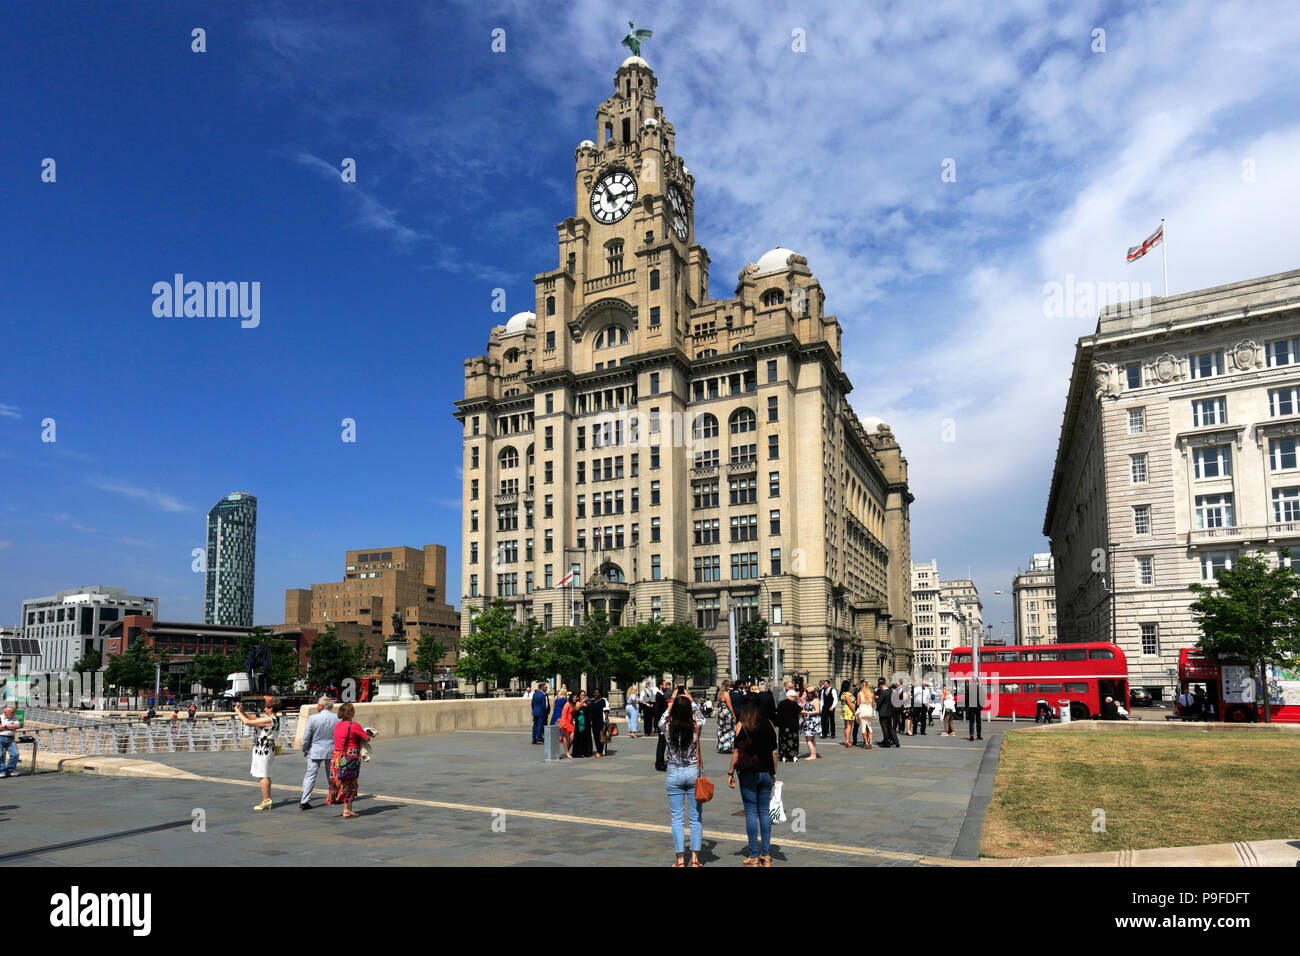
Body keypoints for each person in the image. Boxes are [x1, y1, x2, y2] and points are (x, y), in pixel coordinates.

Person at [729, 695, 778, 866]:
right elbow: (774, 753)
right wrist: (774, 773)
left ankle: (754, 856)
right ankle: (766, 855)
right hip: (766, 773)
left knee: (751, 813)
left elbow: (736, 752)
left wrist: (730, 772)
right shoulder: (768, 724)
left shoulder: (741, 725)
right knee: (764, 813)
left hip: (748, 773)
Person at [660, 691, 705, 867]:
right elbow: (701, 717)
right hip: (693, 771)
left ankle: (680, 860)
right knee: (695, 818)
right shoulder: (696, 725)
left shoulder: (667, 725)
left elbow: (663, 717)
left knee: (677, 818)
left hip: (673, 771)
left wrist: (671, 703)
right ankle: (695, 860)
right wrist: (691, 701)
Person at [234, 697, 282, 811]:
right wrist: (242, 712)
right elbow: (254, 718)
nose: (264, 709)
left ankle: (266, 800)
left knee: (263, 774)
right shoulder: (273, 719)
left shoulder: (270, 720)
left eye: (266, 707)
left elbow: (247, 722)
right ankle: (267, 799)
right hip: (264, 747)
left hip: (263, 749)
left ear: (271, 708)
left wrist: (237, 712)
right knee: (263, 773)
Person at [328, 703, 372, 818]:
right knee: (350, 783)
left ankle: (345, 806)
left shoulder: (337, 725)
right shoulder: (354, 725)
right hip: (350, 757)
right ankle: (347, 810)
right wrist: (368, 734)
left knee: (339, 781)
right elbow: (366, 738)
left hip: (336, 757)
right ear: (351, 712)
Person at [299, 696, 339, 809]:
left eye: (318, 704)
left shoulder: (313, 718)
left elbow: (307, 736)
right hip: (331, 749)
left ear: (321, 706)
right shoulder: (337, 718)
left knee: (310, 775)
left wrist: (305, 748)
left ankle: (305, 800)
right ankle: (334, 796)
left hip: (315, 750)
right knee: (331, 775)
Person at [776, 689, 801, 762]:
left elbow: (777, 712)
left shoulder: (781, 703)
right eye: (795, 697)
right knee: (793, 740)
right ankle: (794, 756)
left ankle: (784, 756)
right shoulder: (794, 704)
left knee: (783, 740)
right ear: (792, 696)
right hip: (792, 725)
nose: (795, 698)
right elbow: (800, 711)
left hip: (783, 725)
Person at [570, 690, 594, 758]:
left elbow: (589, 712)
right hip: (581, 721)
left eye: (584, 695)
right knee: (580, 736)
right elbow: (577, 709)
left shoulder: (587, 703)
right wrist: (582, 702)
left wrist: (591, 720)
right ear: (579, 696)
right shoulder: (578, 702)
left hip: (587, 721)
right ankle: (579, 752)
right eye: (581, 695)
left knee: (587, 736)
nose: (583, 696)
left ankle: (587, 751)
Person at [652, 680, 670, 771]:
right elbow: (657, 710)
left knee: (662, 743)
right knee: (661, 743)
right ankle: (659, 763)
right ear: (660, 686)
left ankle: (660, 762)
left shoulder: (660, 695)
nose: (666, 686)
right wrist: (658, 724)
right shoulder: (659, 696)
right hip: (661, 723)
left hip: (661, 722)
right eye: (665, 685)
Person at [715, 679, 736, 754]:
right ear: (728, 686)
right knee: (729, 729)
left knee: (721, 729)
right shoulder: (726, 694)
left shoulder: (720, 693)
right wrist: (733, 714)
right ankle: (727, 747)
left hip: (721, 712)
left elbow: (718, 704)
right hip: (726, 712)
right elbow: (729, 705)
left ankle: (721, 746)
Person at [799, 687, 821, 759]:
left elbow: (818, 711)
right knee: (812, 739)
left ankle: (813, 755)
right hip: (809, 720)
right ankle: (813, 753)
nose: (808, 694)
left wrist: (807, 712)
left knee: (808, 739)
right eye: (808, 693)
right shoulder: (809, 700)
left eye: (810, 693)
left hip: (812, 721)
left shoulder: (815, 700)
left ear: (813, 693)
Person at [876, 680, 898, 748]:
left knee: (884, 728)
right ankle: (896, 742)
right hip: (889, 712)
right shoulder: (891, 691)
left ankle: (886, 743)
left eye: (880, 688)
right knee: (890, 727)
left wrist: (877, 701)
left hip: (883, 712)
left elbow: (879, 702)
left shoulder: (883, 693)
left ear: (881, 686)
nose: (880, 689)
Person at [0, 705, 21, 777]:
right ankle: (1, 771)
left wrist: (4, 726)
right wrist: (11, 727)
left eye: (13, 712)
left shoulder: (15, 718)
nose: (13, 713)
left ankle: (9, 770)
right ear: (5, 712)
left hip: (11, 739)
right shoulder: (0, 717)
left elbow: (17, 726)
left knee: (15, 754)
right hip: (1, 738)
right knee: (0, 755)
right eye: (12, 712)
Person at [855, 681, 875, 749]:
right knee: (869, 726)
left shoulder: (859, 694)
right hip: (869, 711)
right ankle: (871, 742)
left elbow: (858, 704)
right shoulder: (871, 694)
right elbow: (873, 704)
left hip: (862, 711)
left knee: (863, 727)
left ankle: (866, 743)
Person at [590, 688, 608, 757]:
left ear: (600, 693)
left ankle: (601, 751)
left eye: (597, 693)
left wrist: (605, 721)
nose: (595, 694)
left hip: (601, 721)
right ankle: (598, 750)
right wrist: (590, 720)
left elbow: (606, 710)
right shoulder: (592, 701)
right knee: (596, 736)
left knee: (601, 736)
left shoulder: (603, 700)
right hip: (594, 721)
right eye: (595, 693)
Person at [840, 680, 856, 747]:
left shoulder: (843, 694)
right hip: (849, 711)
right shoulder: (847, 694)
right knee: (849, 726)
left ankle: (847, 740)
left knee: (846, 726)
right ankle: (847, 740)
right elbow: (850, 703)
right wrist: (854, 712)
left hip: (844, 710)